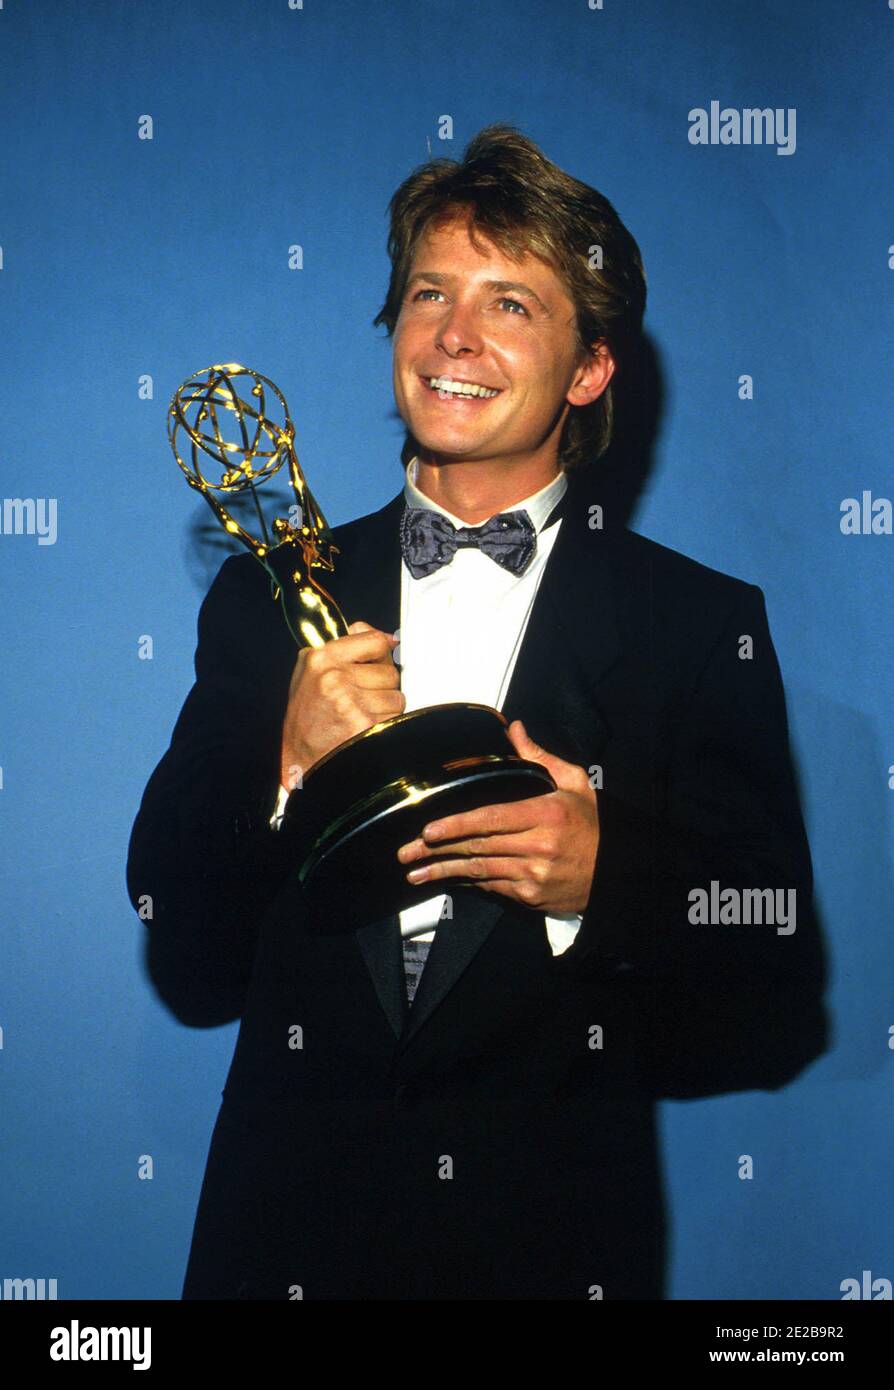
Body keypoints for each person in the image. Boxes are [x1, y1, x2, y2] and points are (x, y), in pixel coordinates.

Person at [126, 125, 828, 1300]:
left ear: (591, 368)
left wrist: (605, 880)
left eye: (512, 303)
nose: (455, 333)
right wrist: (287, 773)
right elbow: (180, 937)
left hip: (548, 1253)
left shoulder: (700, 626)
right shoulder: (266, 595)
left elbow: (774, 963)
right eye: (429, 293)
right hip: (281, 1243)